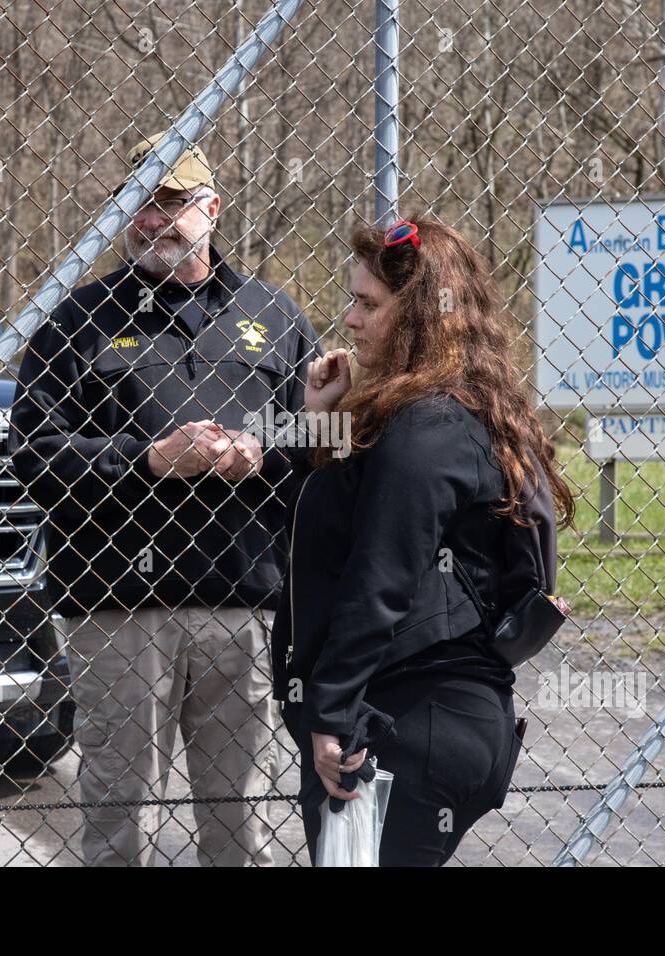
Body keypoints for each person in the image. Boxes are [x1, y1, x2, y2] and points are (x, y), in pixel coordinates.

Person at [11, 134, 321, 866]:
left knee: (241, 820)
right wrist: (146, 460)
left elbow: (319, 441)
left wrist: (260, 456)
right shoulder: (75, 322)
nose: (154, 220)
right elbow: (32, 453)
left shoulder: (273, 317)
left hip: (242, 607)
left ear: (211, 209)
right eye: (140, 203)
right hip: (118, 612)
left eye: (172, 203)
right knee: (120, 820)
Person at [270, 217, 576, 866]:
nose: (350, 320)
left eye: (368, 304)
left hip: (407, 721)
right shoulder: (450, 410)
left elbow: (379, 578)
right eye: (353, 299)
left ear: (419, 318)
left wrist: (333, 716)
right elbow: (330, 529)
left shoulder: (427, 426)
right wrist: (321, 427)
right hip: (424, 716)